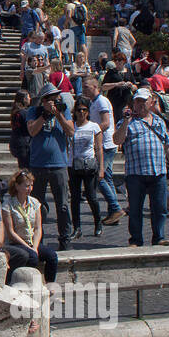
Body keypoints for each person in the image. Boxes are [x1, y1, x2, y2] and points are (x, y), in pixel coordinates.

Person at [114, 88, 169, 248]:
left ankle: (159, 237)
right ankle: (135, 240)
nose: (140, 104)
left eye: (144, 101)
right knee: (135, 209)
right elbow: (117, 140)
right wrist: (126, 121)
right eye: (137, 101)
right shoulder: (126, 122)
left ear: (151, 102)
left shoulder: (158, 121)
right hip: (136, 173)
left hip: (158, 171)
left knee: (160, 208)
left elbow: (168, 146)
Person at [25, 83, 74, 251]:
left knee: (62, 205)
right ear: (44, 100)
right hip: (38, 164)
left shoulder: (63, 109)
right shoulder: (34, 112)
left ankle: (65, 239)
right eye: (51, 99)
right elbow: (32, 131)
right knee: (37, 205)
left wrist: (58, 115)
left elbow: (70, 131)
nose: (55, 101)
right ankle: (39, 239)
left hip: (59, 164)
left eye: (57, 98)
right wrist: (45, 115)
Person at [1, 168, 59, 281]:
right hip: (16, 243)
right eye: (26, 186)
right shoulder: (8, 205)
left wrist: (35, 247)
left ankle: (50, 284)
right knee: (31, 257)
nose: (30, 189)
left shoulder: (34, 202)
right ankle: (26, 282)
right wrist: (29, 248)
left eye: (31, 185)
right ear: (17, 186)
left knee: (52, 256)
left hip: (32, 242)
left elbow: (38, 228)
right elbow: (11, 232)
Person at [83, 74, 123, 226]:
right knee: (107, 178)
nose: (84, 90)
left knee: (98, 177)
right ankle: (114, 211)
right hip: (105, 144)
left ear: (95, 87)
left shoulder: (101, 102)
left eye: (86, 87)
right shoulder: (94, 102)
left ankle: (115, 207)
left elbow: (105, 123)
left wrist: (89, 132)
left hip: (105, 145)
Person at [66, 98, 104, 239]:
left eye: (84, 110)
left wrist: (101, 168)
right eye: (79, 110)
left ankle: (98, 223)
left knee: (91, 196)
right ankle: (77, 227)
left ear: (88, 112)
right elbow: (66, 146)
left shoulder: (94, 126)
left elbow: (99, 148)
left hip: (89, 164)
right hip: (73, 165)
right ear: (75, 112)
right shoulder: (71, 126)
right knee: (75, 198)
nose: (81, 113)